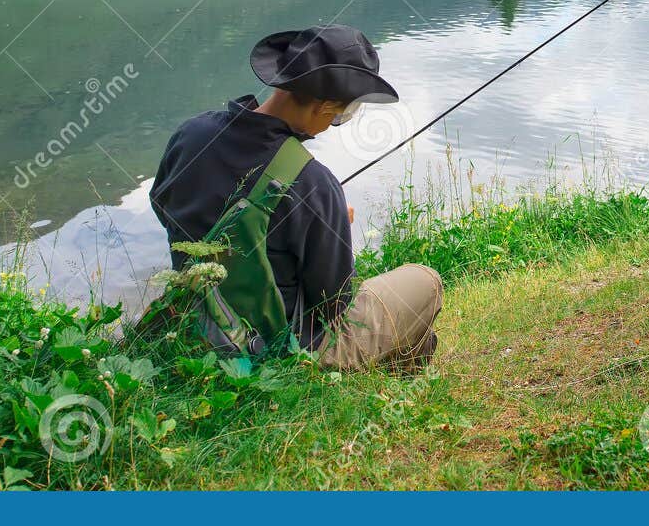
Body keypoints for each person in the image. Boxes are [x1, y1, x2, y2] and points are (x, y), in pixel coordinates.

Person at [148, 24, 441, 372]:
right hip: (282, 351)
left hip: (199, 323)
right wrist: (332, 225)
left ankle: (400, 373)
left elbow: (162, 205)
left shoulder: (190, 135)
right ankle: (402, 376)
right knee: (425, 280)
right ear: (323, 107)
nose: (337, 122)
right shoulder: (314, 183)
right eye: (342, 115)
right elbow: (335, 305)